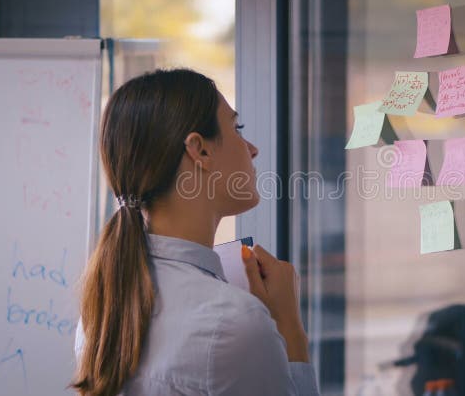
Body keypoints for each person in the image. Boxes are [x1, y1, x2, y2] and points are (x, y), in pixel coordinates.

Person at [70, 69, 319, 396]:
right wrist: (290, 331)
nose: (253, 149)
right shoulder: (235, 325)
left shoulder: (104, 311)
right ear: (199, 150)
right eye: (237, 128)